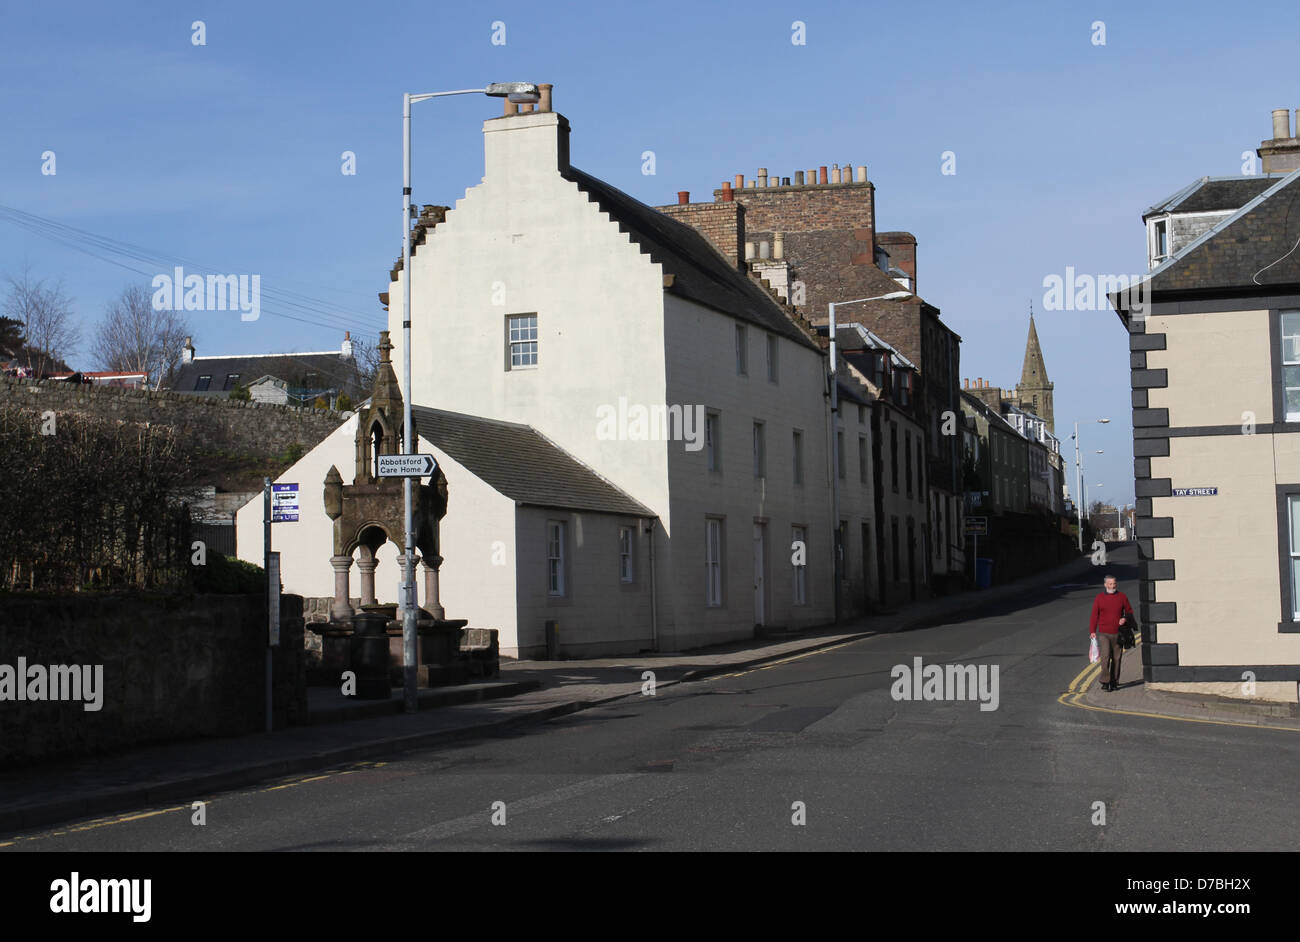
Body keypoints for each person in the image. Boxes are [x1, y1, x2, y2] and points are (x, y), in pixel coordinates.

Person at [1090, 574, 1134, 691]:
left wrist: (1124, 618)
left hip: (1118, 633)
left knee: (1117, 658)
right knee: (1105, 657)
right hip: (1104, 633)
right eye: (1110, 584)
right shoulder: (1099, 598)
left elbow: (1129, 611)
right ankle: (1105, 681)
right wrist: (1092, 631)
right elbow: (1094, 615)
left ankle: (1114, 681)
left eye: (1114, 583)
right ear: (1105, 585)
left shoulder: (1122, 597)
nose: (1113, 586)